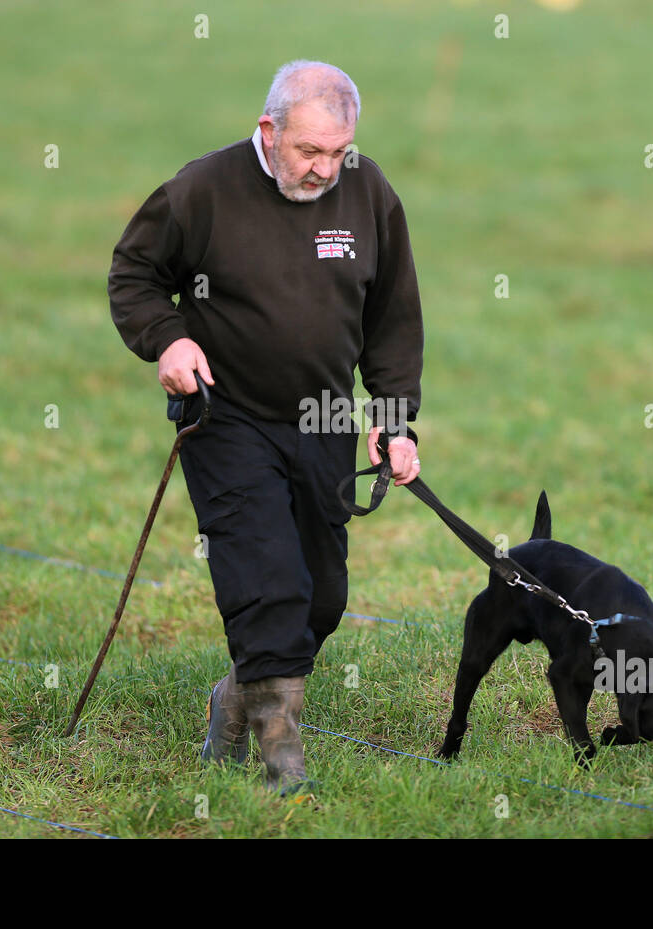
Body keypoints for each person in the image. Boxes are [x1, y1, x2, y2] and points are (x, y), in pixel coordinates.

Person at [108, 60, 424, 793]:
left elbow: (393, 316)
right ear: (268, 130)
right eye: (308, 151)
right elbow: (134, 274)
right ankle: (283, 766)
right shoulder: (203, 190)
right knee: (269, 582)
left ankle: (235, 696)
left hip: (322, 419)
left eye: (336, 153)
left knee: (322, 595)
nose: (322, 170)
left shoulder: (369, 193)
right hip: (227, 415)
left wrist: (393, 418)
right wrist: (169, 338)